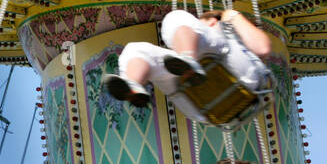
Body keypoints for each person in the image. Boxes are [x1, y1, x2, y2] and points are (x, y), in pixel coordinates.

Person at [101, 8, 273, 119]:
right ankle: (133, 85)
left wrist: (233, 15)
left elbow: (263, 48)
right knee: (134, 50)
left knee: (175, 19)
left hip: (238, 76)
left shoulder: (221, 27)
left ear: (213, 21)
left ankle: (188, 59)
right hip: (201, 103)